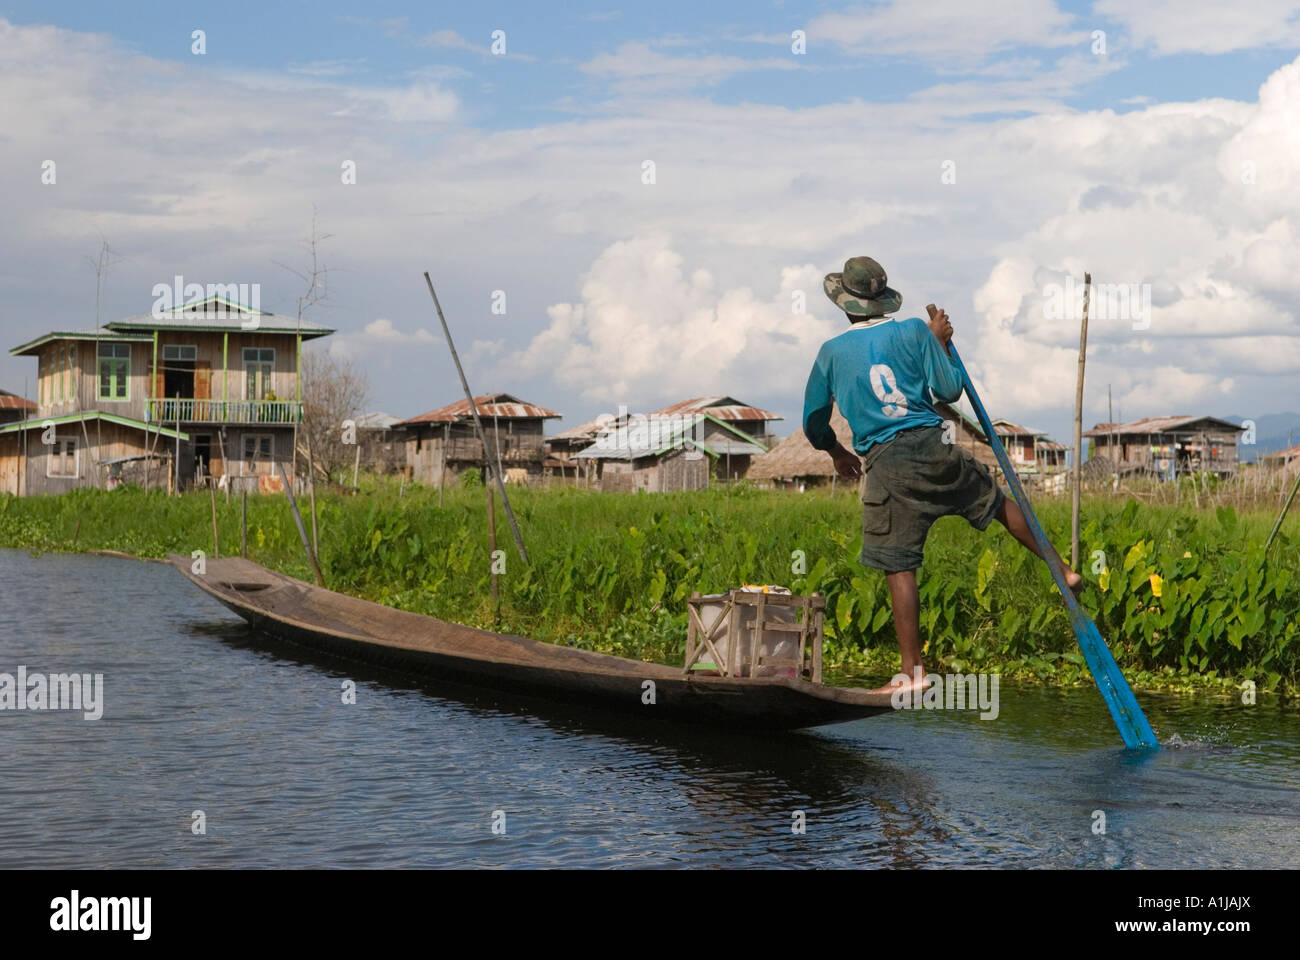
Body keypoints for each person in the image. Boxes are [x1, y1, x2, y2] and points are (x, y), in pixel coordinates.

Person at [802, 256, 1083, 695]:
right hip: (935, 444)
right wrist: (940, 344)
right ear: (882, 302)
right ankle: (1061, 569)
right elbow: (949, 390)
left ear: (845, 305)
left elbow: (814, 422)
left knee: (899, 565)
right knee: (994, 501)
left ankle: (913, 672)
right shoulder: (914, 330)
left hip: (887, 462)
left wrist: (835, 450)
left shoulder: (831, 353)